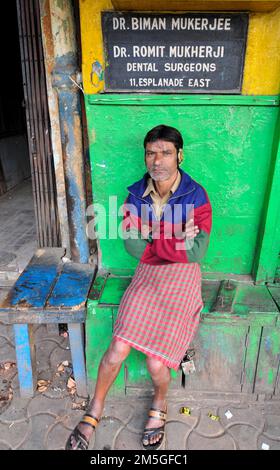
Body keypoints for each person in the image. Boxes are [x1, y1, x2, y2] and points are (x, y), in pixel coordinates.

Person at [66, 124, 212, 451]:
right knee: (118, 347)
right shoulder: (135, 195)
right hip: (147, 276)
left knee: (156, 363)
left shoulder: (197, 195)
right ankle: (95, 410)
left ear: (180, 156)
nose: (157, 161)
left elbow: (198, 251)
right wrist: (175, 237)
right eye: (150, 153)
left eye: (166, 153)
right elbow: (133, 248)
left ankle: (160, 401)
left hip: (182, 282)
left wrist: (152, 235)